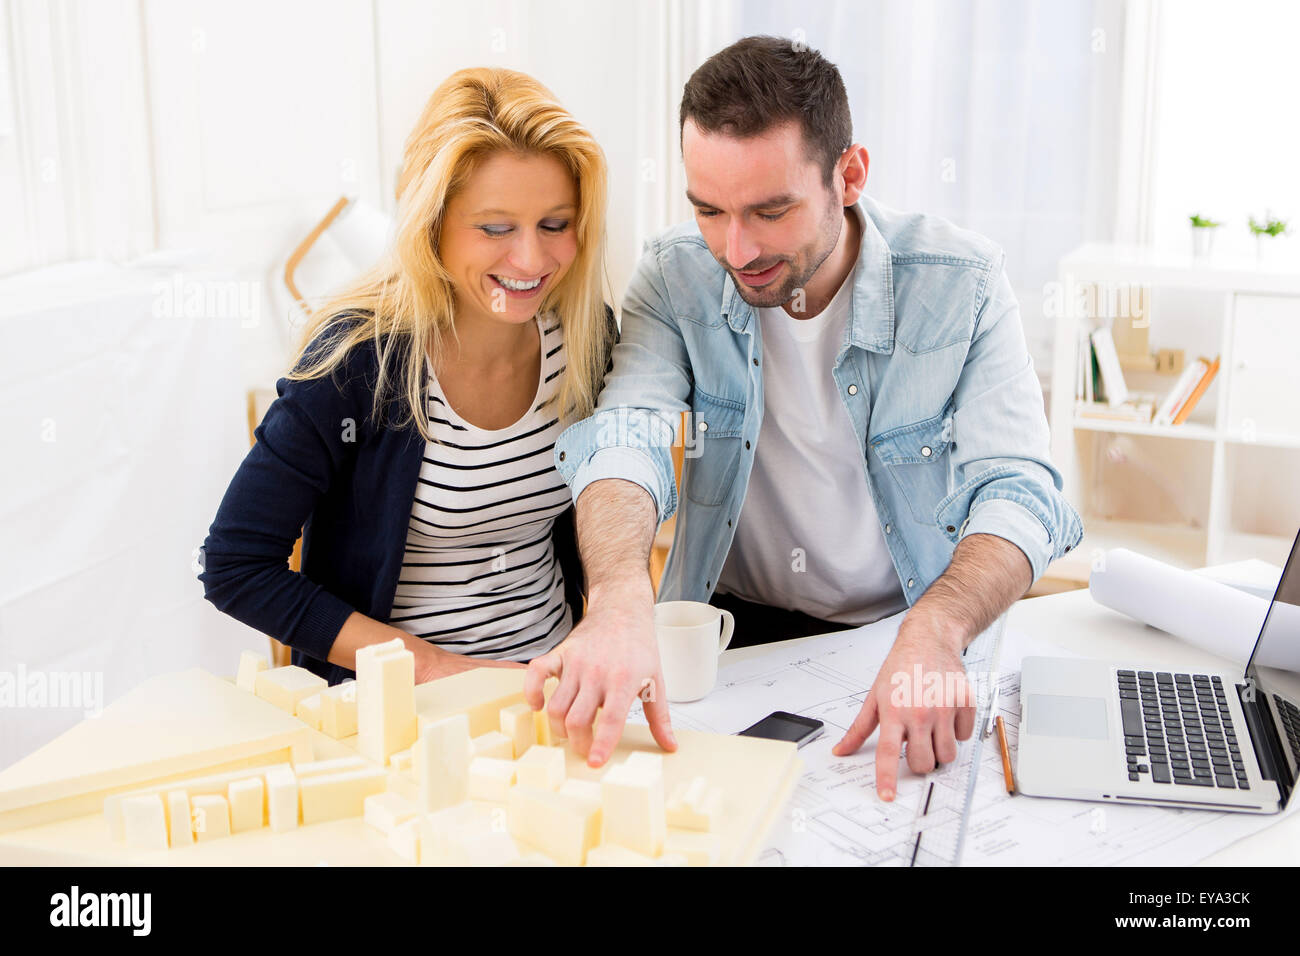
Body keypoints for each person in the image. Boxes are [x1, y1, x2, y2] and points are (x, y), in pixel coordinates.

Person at [531, 36, 1084, 801]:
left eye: (771, 209)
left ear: (849, 175)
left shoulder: (964, 284)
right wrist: (620, 595)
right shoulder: (674, 274)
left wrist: (939, 627)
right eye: (709, 211)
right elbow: (627, 435)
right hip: (732, 630)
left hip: (905, 627)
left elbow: (1021, 489)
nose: (738, 247)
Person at [199, 67, 615, 687]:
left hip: (551, 696)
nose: (530, 260)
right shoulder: (356, 362)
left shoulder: (585, 336)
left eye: (554, 224)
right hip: (406, 714)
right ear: (431, 224)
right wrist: (448, 672)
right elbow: (236, 564)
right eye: (495, 227)